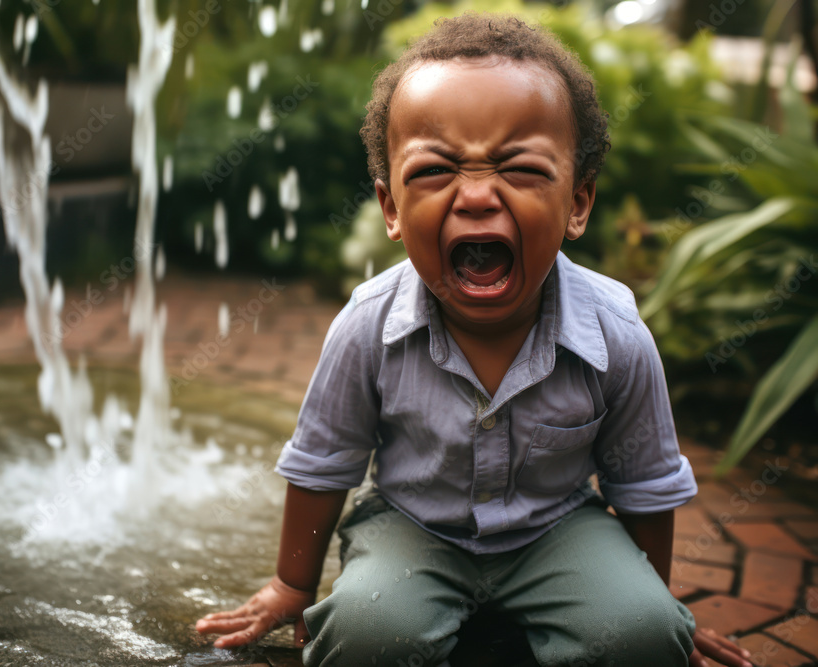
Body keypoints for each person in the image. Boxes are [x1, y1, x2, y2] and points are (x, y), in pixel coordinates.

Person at [197, 12, 754, 667]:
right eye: (436, 170)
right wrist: (292, 583)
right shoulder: (368, 326)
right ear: (391, 208)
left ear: (578, 202)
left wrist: (655, 607)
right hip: (413, 528)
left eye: (519, 169)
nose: (479, 195)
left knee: (640, 635)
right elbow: (324, 463)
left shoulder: (615, 332)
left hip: (558, 531)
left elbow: (645, 484)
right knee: (367, 636)